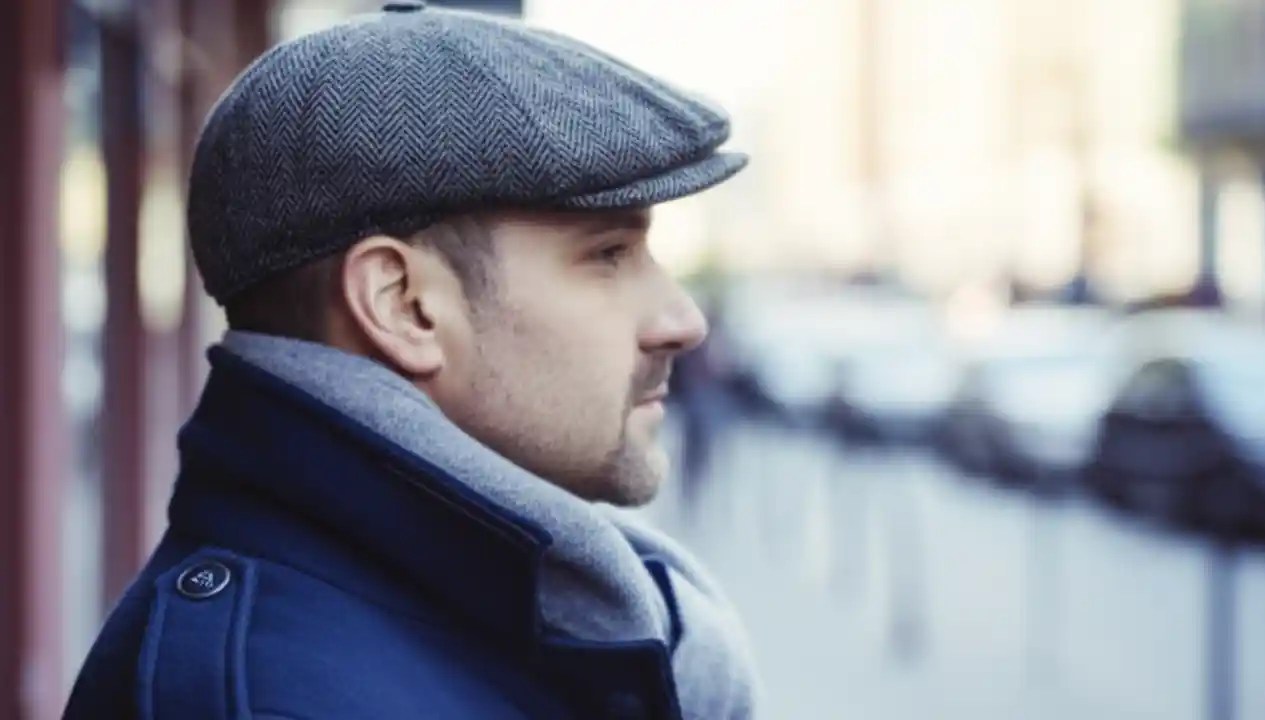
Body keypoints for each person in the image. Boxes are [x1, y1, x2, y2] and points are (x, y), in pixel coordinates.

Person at [63, 4, 758, 719]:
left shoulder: (489, 613)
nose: (684, 322)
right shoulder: (268, 699)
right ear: (402, 304)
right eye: (608, 255)